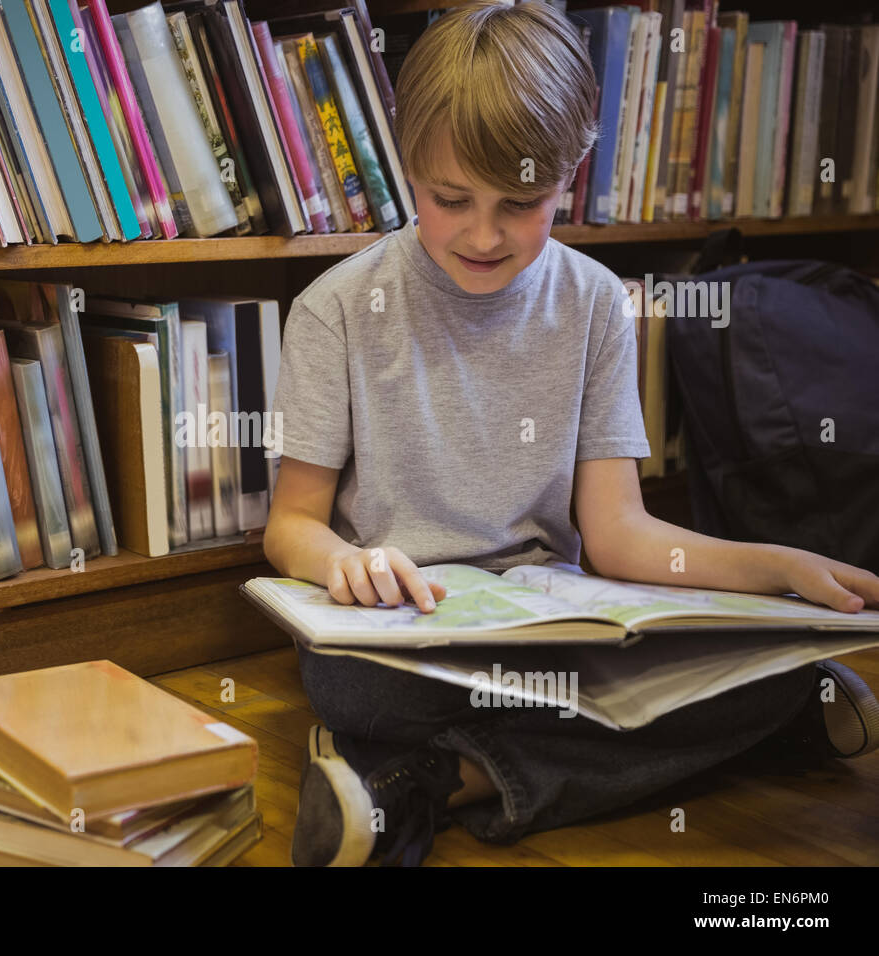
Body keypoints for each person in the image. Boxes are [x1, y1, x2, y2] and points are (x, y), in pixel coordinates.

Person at [261, 0, 879, 867]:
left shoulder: (592, 304)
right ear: (408, 174)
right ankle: (490, 762)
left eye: (521, 202)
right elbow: (291, 523)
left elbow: (620, 535)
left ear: (571, 178)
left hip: (550, 630)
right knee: (354, 687)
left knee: (762, 665)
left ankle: (431, 784)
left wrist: (775, 570)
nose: (483, 233)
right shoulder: (335, 309)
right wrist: (341, 565)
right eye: (451, 200)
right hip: (398, 642)